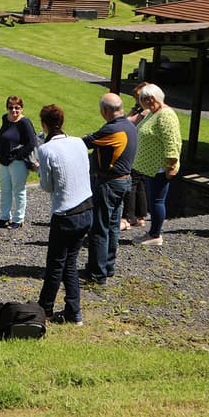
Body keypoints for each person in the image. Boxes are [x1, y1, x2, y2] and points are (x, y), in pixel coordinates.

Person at [35, 104, 93, 325]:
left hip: (65, 213)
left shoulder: (46, 150)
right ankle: (73, 311)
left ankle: (44, 310)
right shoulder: (78, 142)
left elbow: (47, 186)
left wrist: (41, 169)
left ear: (44, 124)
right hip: (87, 208)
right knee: (70, 262)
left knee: (55, 264)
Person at [81, 93, 137, 286]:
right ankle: (108, 266)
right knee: (113, 226)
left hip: (108, 183)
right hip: (124, 182)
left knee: (99, 228)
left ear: (104, 111)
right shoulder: (129, 126)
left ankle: (97, 273)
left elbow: (86, 142)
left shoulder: (112, 129)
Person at [132, 84, 181, 247]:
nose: (147, 101)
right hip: (150, 167)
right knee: (153, 201)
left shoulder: (165, 115)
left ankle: (155, 235)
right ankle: (153, 231)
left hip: (160, 167)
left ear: (158, 97)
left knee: (157, 202)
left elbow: (172, 142)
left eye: (150, 98)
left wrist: (171, 166)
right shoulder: (152, 113)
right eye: (143, 98)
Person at [0, 96, 38, 229]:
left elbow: (32, 143)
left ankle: (18, 219)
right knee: (5, 190)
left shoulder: (25, 122)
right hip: (4, 162)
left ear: (22, 108)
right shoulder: (5, 119)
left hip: (17, 162)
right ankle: (4, 217)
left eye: (17, 108)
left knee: (19, 190)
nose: (14, 110)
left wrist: (18, 156)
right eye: (11, 107)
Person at [122, 82, 151, 231]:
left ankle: (129, 217)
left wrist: (135, 111)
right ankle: (140, 216)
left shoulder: (145, 112)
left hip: (138, 150)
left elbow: (127, 123)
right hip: (140, 150)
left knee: (132, 183)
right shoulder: (143, 110)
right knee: (140, 184)